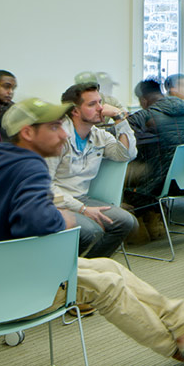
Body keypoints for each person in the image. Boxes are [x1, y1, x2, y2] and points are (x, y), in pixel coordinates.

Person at [0, 97, 184, 365]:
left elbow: (21, 220)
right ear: (28, 133)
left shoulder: (0, 161)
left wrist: (54, 215)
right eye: (55, 127)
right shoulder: (27, 165)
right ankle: (178, 346)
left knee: (108, 266)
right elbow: (34, 224)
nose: (64, 133)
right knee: (105, 285)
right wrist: (63, 219)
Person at [47, 78, 137, 258]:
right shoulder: (56, 137)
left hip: (80, 198)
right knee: (90, 230)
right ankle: (62, 274)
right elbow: (45, 186)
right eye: (92, 104)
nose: (101, 108)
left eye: (100, 102)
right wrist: (82, 209)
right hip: (53, 202)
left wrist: (119, 119)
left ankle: (86, 268)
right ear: (75, 111)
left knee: (127, 222)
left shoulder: (97, 135)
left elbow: (126, 154)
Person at [124, 78, 184, 237]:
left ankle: (141, 224)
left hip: (159, 185)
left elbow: (113, 136)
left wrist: (117, 117)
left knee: (128, 173)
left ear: (143, 100)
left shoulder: (143, 116)